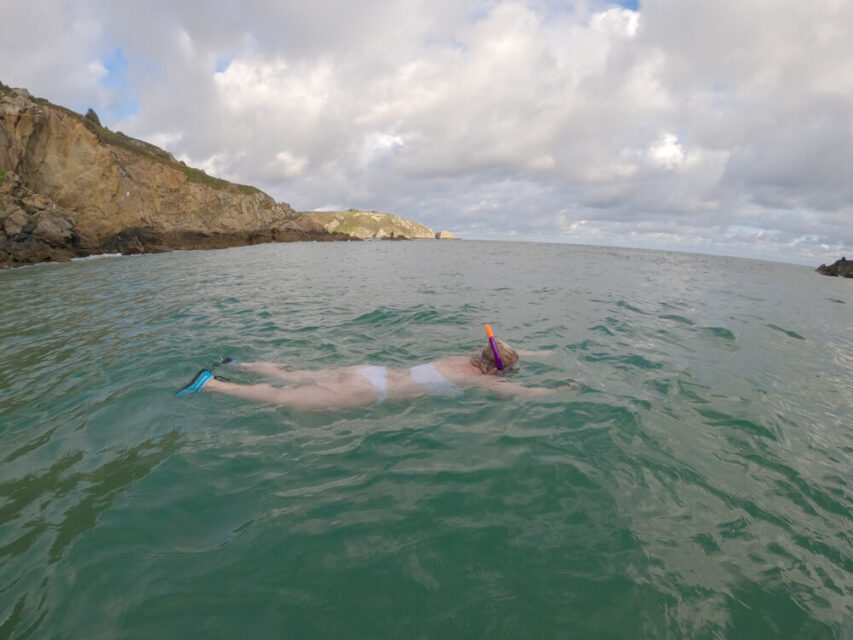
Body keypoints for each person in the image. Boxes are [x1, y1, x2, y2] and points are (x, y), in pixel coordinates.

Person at [176, 326, 572, 410]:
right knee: (285, 399)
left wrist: (532, 353)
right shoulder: (484, 384)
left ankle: (237, 364)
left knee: (293, 375)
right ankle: (211, 385)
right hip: (373, 392)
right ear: (498, 371)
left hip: (373, 371)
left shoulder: (459, 359)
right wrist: (561, 391)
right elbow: (526, 394)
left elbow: (498, 350)